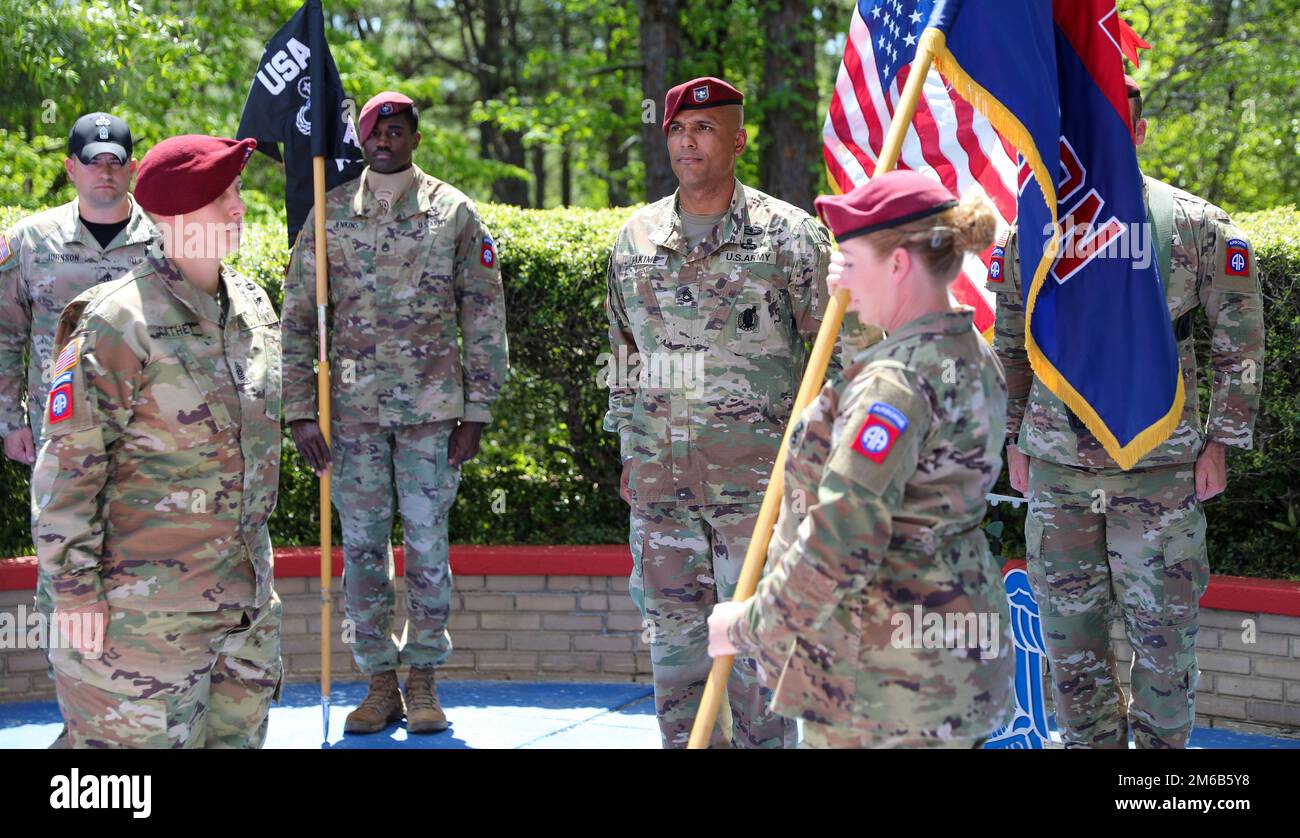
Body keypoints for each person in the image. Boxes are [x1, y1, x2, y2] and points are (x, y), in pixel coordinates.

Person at [992, 75, 1265, 749]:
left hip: (1161, 469)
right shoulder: (1034, 223)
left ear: (1136, 133)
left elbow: (1240, 339)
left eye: (1114, 124)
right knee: (1071, 651)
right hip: (1057, 469)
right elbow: (1010, 339)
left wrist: (1221, 443)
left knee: (1165, 650)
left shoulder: (1193, 225)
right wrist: (1013, 437)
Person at [707, 170, 1014, 748]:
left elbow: (840, 542)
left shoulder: (892, 386)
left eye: (848, 259)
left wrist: (747, 627)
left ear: (898, 265)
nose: (837, 277)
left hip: (881, 688)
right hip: (948, 669)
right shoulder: (969, 353)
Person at [604, 76, 835, 749]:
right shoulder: (636, 237)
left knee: (761, 666)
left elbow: (838, 363)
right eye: (677, 129)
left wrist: (820, 468)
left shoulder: (790, 238)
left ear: (739, 140)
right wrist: (627, 450)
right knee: (676, 668)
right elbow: (623, 356)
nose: (687, 140)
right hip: (660, 490)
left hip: (759, 494)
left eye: (704, 128)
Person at [32, 134, 284, 748]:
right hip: (138, 624)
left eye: (238, 193)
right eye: (221, 197)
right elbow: (68, 470)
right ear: (173, 219)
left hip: (243, 616)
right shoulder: (116, 321)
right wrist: (74, 595)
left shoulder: (251, 303)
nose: (238, 208)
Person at [281, 91, 509, 735]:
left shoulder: (453, 212)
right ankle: (379, 680)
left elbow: (484, 314)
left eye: (398, 129)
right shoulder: (329, 214)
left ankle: (425, 678)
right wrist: (301, 409)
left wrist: (479, 408)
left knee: (429, 547)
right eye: (375, 131)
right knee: (361, 550)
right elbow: (298, 317)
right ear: (360, 138)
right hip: (349, 418)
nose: (385, 139)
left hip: (433, 413)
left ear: (414, 137)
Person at [0, 111, 158, 747]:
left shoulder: (163, 241)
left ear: (132, 169)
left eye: (116, 161)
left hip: (146, 446)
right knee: (65, 579)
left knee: (138, 577)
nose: (105, 171)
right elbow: (6, 336)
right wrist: (10, 420)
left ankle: (134, 715)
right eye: (93, 161)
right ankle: (80, 721)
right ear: (70, 168)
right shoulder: (30, 242)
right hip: (59, 446)